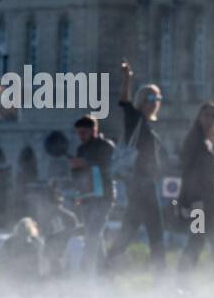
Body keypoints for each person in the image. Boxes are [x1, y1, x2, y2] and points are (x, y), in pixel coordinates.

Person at [106, 62, 167, 271]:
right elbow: (123, 103)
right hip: (142, 186)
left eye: (158, 99)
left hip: (142, 185)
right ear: (142, 101)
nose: (155, 103)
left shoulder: (147, 125)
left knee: (129, 230)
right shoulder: (136, 119)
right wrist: (127, 78)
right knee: (155, 231)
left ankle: (104, 268)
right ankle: (162, 279)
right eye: (151, 99)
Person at [177, 102, 214, 274]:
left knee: (210, 242)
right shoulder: (195, 141)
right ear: (199, 118)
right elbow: (194, 170)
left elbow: (209, 174)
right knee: (198, 242)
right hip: (198, 203)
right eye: (206, 115)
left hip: (207, 203)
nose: (209, 119)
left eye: (213, 116)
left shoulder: (209, 142)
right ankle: (182, 281)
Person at [69, 115, 115, 275]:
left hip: (103, 198)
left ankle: (84, 272)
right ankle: (104, 274)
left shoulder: (106, 146)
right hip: (87, 198)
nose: (80, 137)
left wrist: (86, 163)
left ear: (93, 130)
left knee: (92, 235)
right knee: (96, 236)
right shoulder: (81, 149)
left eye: (83, 133)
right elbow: (77, 176)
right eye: (78, 133)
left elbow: (109, 166)